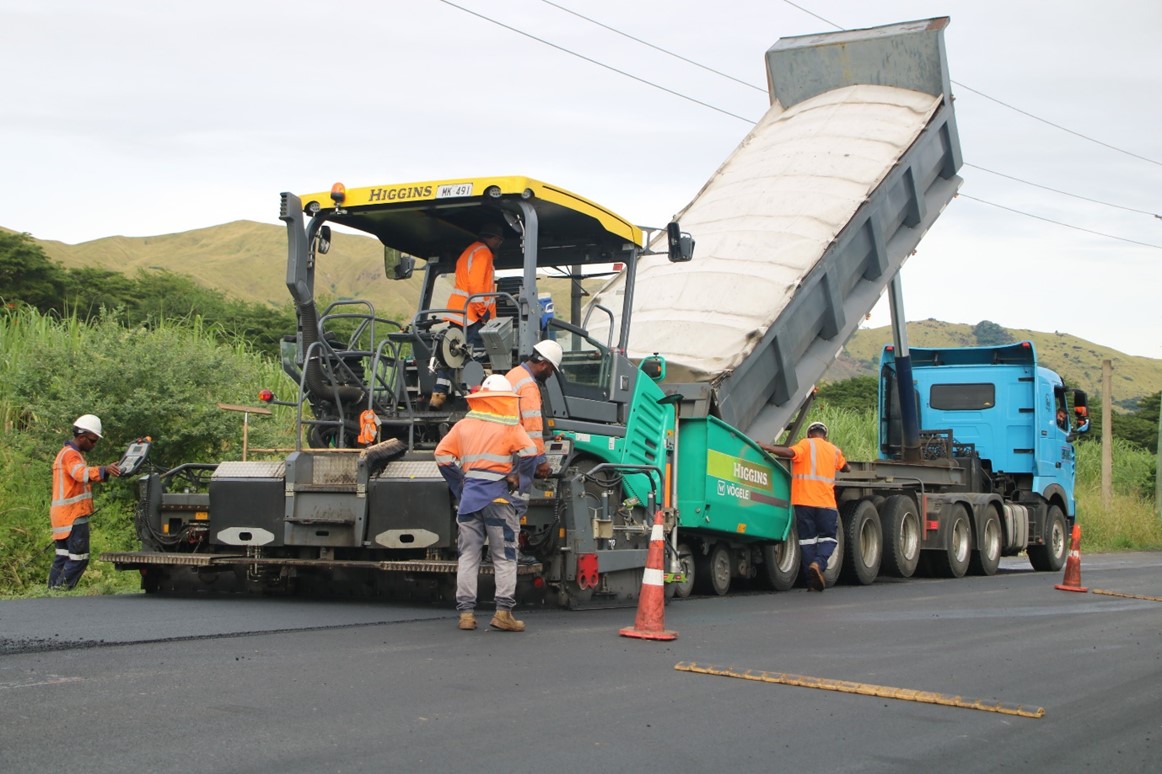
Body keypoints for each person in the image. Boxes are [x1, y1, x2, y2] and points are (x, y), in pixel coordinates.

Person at [434, 374, 538, 632]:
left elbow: (442, 456)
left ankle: (466, 615)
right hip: (498, 500)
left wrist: (461, 484)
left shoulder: (462, 426)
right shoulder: (509, 426)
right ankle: (503, 613)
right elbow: (530, 453)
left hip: (469, 501)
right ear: (504, 400)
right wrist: (520, 479)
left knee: (468, 556)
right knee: (504, 556)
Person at [759, 421, 849, 592]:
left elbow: (789, 452)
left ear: (809, 434)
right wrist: (846, 467)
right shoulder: (833, 450)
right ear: (825, 435)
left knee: (807, 541)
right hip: (826, 504)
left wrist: (767, 447)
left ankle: (811, 583)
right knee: (829, 539)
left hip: (803, 503)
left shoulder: (805, 445)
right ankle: (818, 563)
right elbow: (845, 467)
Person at [430, 225, 504, 409]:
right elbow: (475, 285)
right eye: (499, 241)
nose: (499, 245)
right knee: (475, 355)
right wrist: (483, 311)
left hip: (457, 312)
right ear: (493, 238)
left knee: (450, 355)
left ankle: (438, 394)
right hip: (471, 315)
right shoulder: (483, 253)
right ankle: (475, 397)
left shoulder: (469, 252)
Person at [48, 414, 121, 590]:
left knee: (63, 557)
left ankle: (52, 594)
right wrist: (104, 470)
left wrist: (104, 472)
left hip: (62, 517)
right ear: (82, 437)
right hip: (73, 515)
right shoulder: (71, 455)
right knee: (79, 558)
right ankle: (60, 591)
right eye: (93, 441)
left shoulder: (66, 453)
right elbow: (80, 474)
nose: (94, 445)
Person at [505, 339, 564, 482]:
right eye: (551, 370)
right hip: (517, 452)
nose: (550, 375)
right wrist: (542, 461)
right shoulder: (529, 386)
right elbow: (532, 429)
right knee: (519, 499)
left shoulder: (513, 374)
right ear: (543, 364)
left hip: (504, 447)